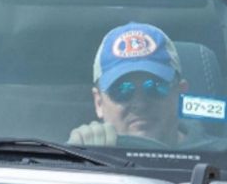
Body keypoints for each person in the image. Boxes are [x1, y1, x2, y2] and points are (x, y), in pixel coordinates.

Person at [67, 22, 215, 149]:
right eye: (122, 90)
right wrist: (79, 158)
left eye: (155, 88)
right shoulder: (81, 166)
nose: (140, 104)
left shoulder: (222, 163)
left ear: (180, 95)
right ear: (99, 103)